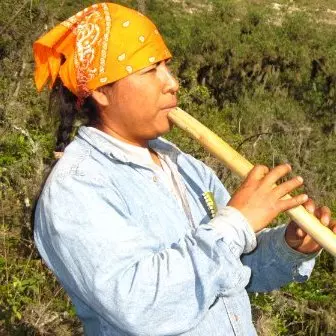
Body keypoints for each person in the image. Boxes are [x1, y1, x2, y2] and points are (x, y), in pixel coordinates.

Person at [33, 3, 335, 335]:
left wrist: (289, 246)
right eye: (151, 71)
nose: (172, 83)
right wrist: (237, 222)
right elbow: (143, 307)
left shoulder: (184, 165)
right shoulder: (77, 189)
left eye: (167, 67)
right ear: (102, 91)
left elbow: (234, 268)